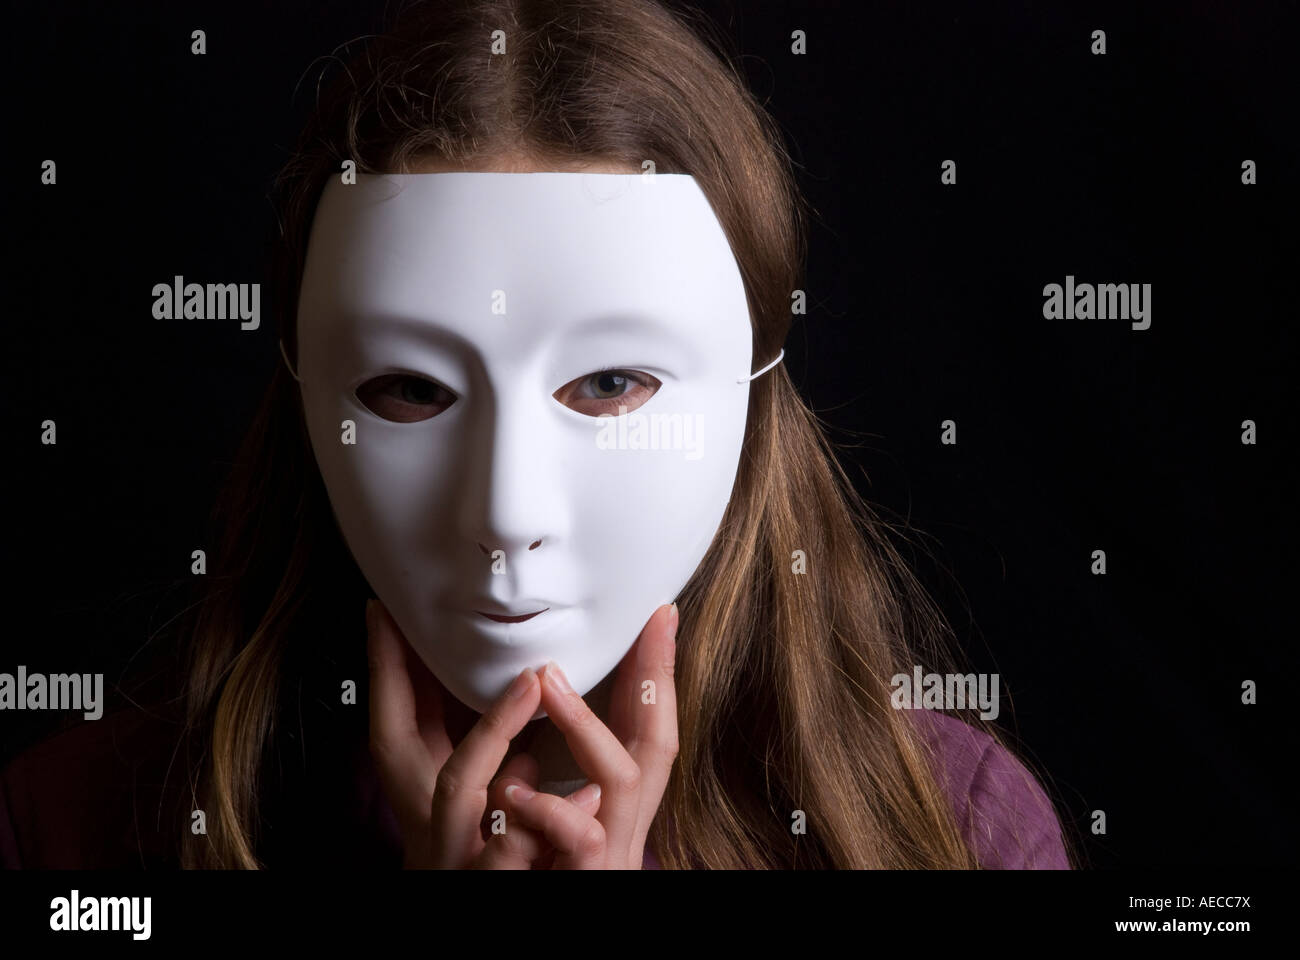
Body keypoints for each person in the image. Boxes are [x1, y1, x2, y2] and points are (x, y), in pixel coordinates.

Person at [0, 0, 1072, 870]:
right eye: (410, 391)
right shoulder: (84, 838)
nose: (506, 513)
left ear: (752, 392)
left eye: (609, 383)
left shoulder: (950, 834)